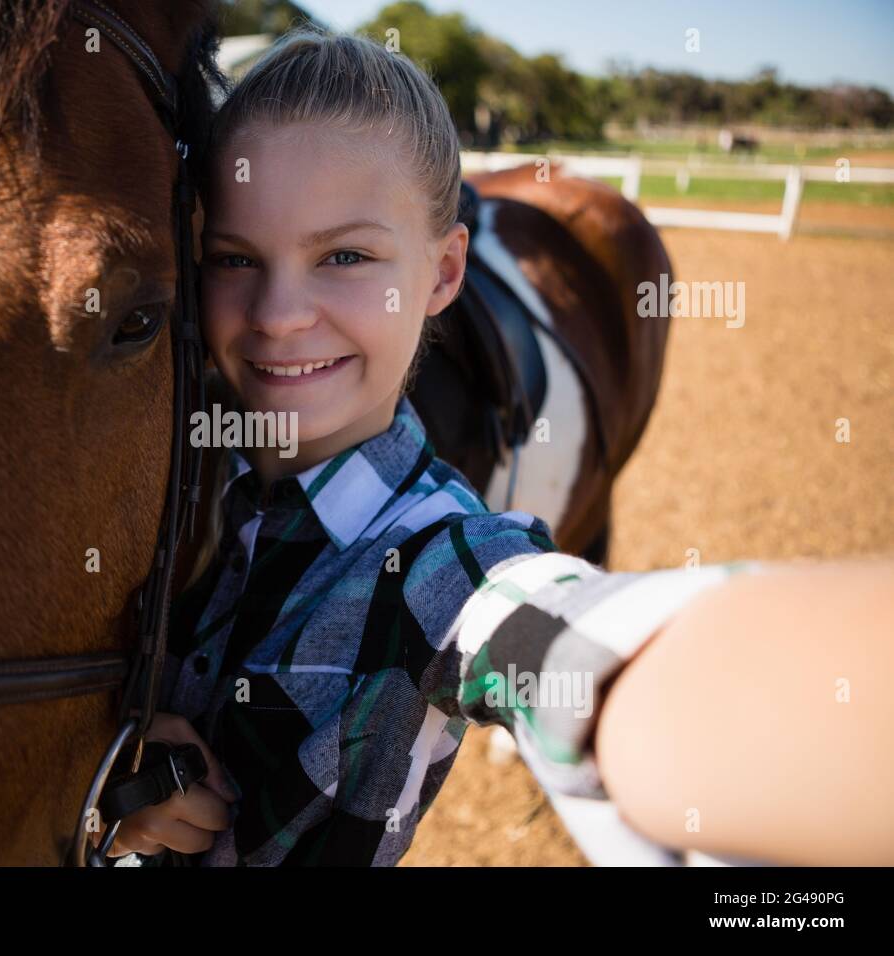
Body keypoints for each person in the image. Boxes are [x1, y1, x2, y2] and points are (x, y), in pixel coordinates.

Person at [101, 30, 894, 866]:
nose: (278, 314)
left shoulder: (447, 568)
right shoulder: (158, 465)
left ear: (444, 274)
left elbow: (594, 657)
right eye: (235, 258)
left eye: (346, 255)